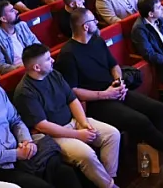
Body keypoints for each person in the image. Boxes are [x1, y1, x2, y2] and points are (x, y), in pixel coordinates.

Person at [55, 9, 163, 182]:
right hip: (95, 102)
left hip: (116, 91)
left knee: (159, 109)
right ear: (85, 27)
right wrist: (105, 94)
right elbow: (73, 91)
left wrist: (118, 81)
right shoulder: (68, 54)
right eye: (93, 20)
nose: (96, 22)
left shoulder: (97, 41)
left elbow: (114, 66)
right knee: (141, 121)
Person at [0, 61, 83, 188]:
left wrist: (26, 141)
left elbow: (15, 120)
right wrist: (15, 154)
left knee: (65, 173)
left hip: (20, 150)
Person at [13, 44, 121, 188]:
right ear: (36, 68)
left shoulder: (54, 74)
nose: (52, 60)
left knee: (112, 134)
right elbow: (42, 125)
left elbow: (72, 99)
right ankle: (109, 186)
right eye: (47, 59)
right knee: (86, 154)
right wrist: (77, 134)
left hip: (74, 122)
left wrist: (84, 123)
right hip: (54, 135)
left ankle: (107, 179)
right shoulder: (25, 92)